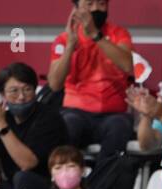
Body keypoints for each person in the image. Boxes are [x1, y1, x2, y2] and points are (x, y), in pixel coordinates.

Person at [0, 61, 70, 189]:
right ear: (2, 94)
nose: (21, 97)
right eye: (13, 91)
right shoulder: (3, 118)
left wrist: (0, 125)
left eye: (27, 89)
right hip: (12, 188)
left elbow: (27, 164)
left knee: (23, 177)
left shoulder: (49, 117)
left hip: (47, 188)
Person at [48, 0, 135, 159]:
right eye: (89, 4)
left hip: (113, 115)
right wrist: (70, 44)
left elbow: (128, 66)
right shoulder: (63, 39)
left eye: (101, 4)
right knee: (66, 126)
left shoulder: (119, 34)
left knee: (120, 127)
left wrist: (96, 35)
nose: (96, 9)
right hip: (75, 113)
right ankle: (67, 181)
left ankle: (101, 183)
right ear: (76, 9)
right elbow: (54, 84)